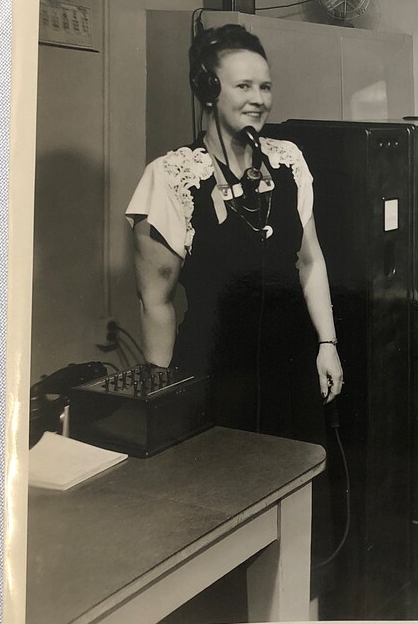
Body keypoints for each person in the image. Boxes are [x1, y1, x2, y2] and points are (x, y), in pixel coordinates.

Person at [125, 23, 343, 441]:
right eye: (243, 86)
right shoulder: (174, 177)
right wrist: (163, 398)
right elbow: (156, 300)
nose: (258, 99)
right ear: (209, 89)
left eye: (265, 87)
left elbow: (309, 260)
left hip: (291, 363)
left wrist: (327, 345)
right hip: (214, 370)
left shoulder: (288, 161)